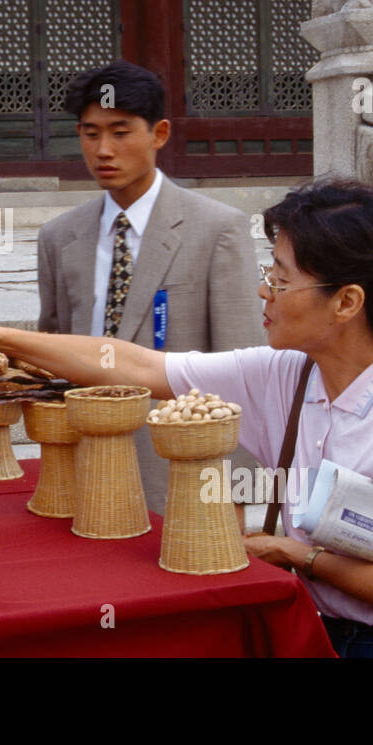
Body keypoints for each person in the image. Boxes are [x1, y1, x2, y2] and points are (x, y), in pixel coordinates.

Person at [0, 180, 373, 658]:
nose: (264, 293)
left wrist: (297, 555)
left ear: (347, 301)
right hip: (326, 631)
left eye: (280, 279)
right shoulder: (288, 373)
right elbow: (136, 364)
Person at [36, 60, 263, 513]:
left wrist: (235, 495)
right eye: (90, 133)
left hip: (180, 469)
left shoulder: (217, 229)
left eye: (120, 133)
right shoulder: (59, 237)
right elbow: (53, 349)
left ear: (159, 134)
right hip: (84, 464)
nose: (103, 150)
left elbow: (242, 370)